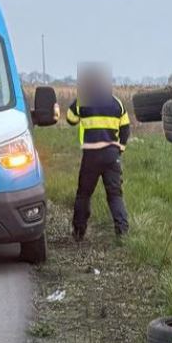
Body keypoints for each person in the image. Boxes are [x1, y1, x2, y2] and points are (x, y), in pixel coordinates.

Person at [67, 64, 130, 240]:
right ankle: (122, 232)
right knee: (115, 195)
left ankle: (79, 232)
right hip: (112, 156)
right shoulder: (117, 103)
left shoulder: (83, 101)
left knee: (84, 194)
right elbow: (125, 130)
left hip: (91, 156)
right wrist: (120, 150)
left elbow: (70, 119)